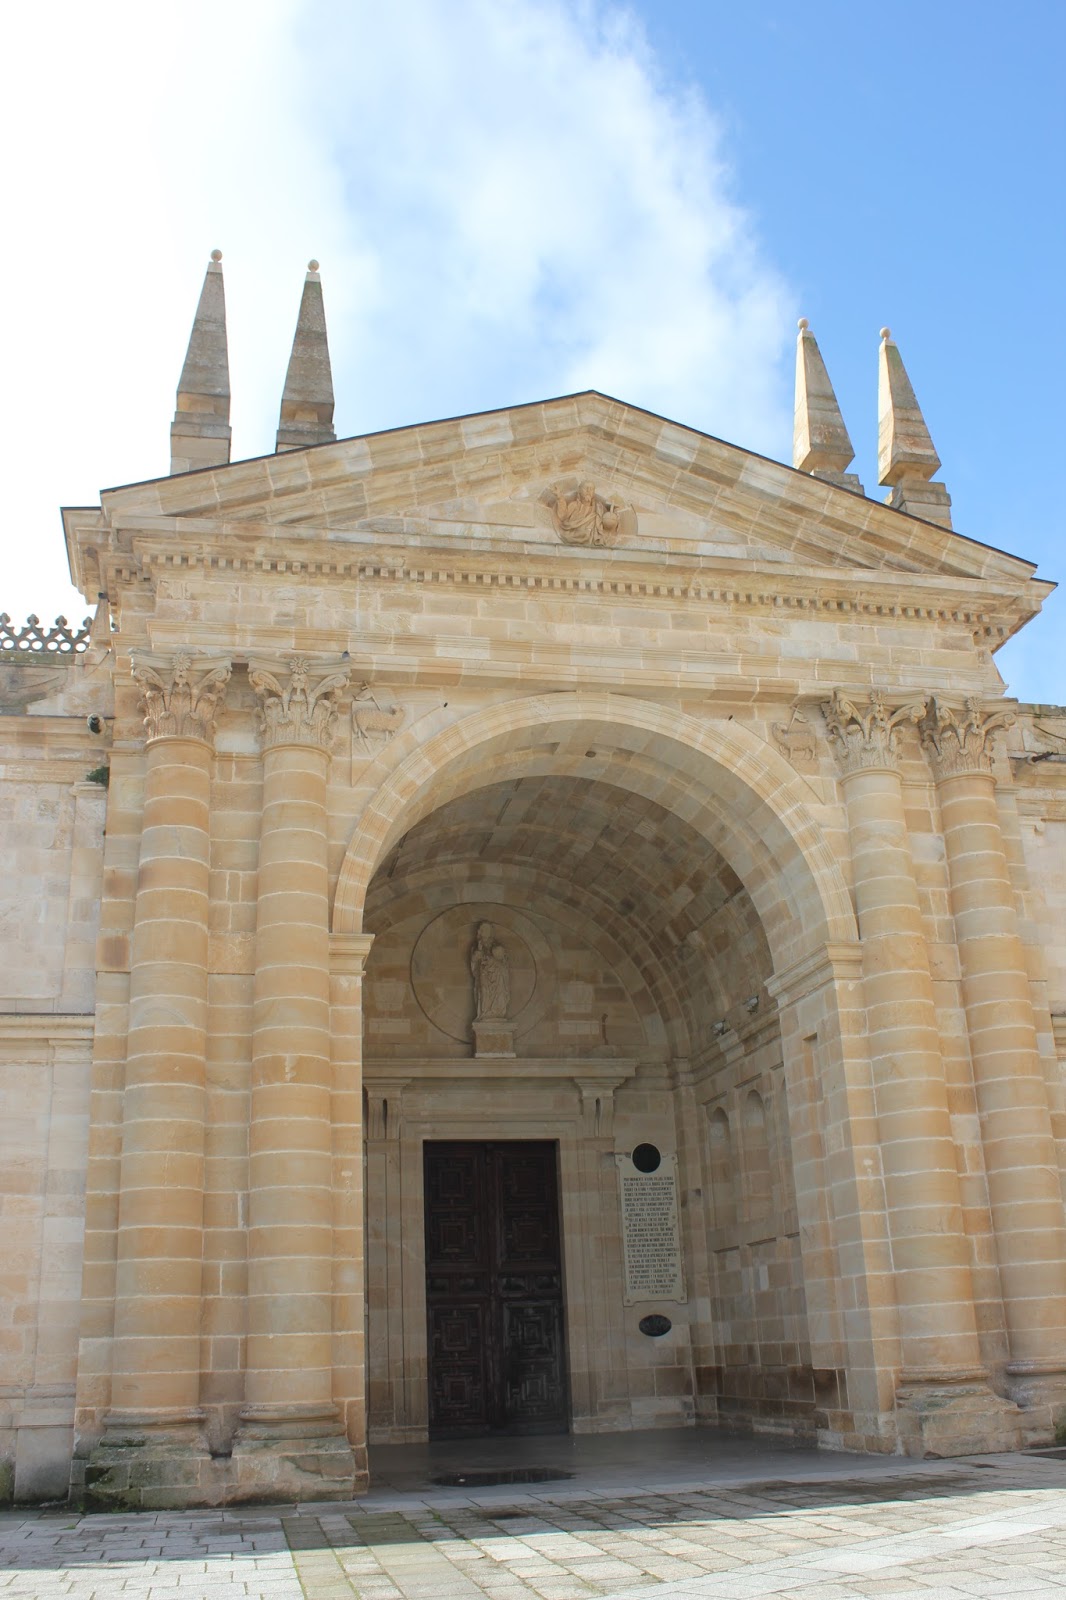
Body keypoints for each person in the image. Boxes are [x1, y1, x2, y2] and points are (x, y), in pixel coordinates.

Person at [471, 921, 509, 1019]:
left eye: (488, 929)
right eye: (484, 929)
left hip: (497, 974)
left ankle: (498, 1011)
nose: (486, 932)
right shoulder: (477, 946)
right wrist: (479, 951)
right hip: (484, 974)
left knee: (499, 991)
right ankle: (486, 1011)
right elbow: (474, 961)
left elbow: (503, 960)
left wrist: (496, 958)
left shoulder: (495, 945)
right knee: (484, 991)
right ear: (480, 931)